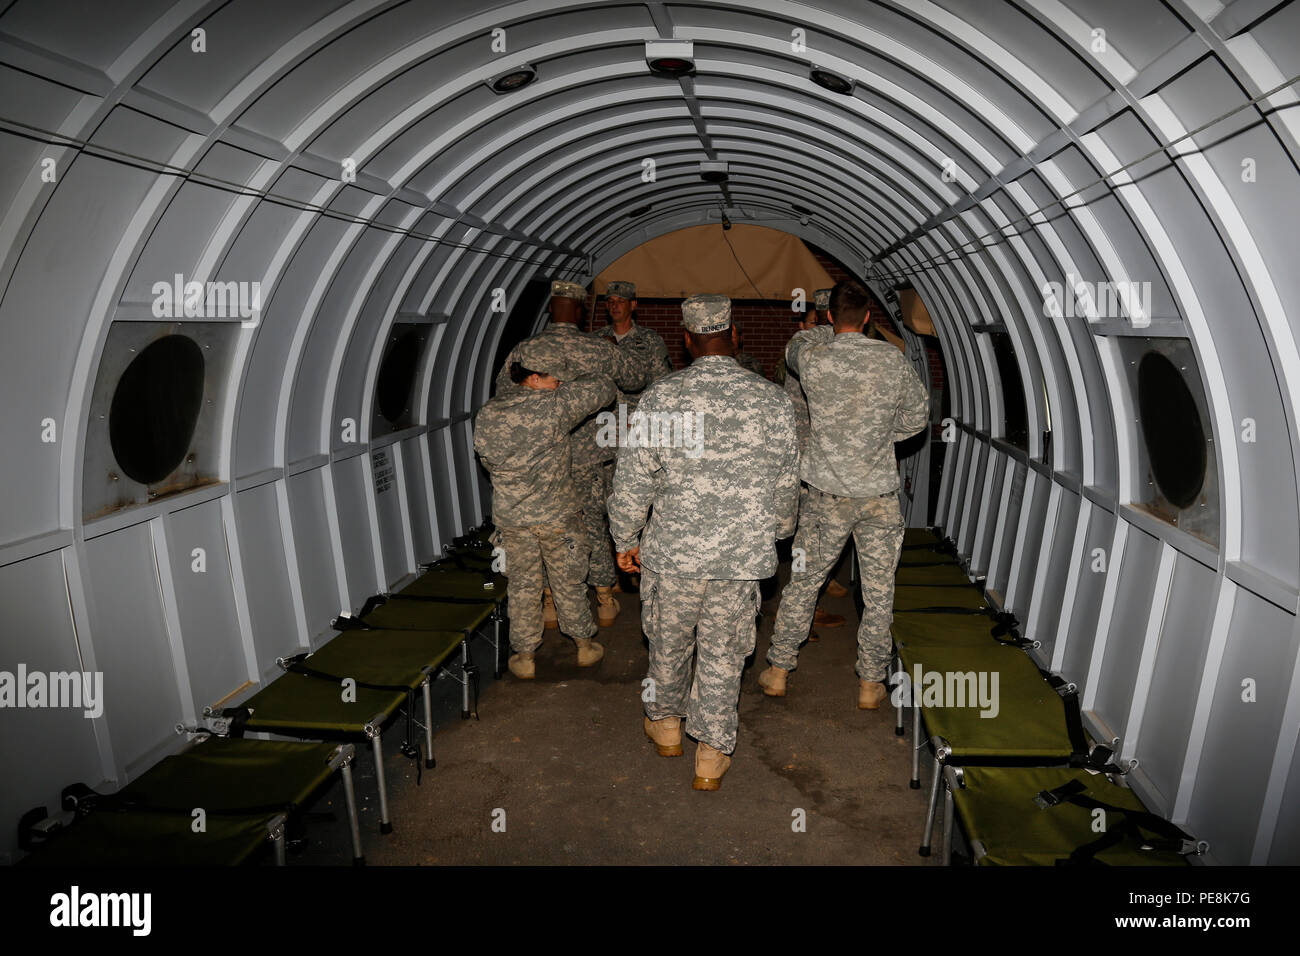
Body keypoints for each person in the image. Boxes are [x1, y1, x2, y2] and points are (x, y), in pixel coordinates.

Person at [609, 294, 799, 790]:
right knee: (724, 653)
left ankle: (667, 726)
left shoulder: (661, 397)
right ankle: (711, 755)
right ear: (734, 336)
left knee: (668, 643)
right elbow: (786, 483)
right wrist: (777, 532)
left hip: (672, 554)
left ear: (688, 341)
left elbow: (633, 480)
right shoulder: (773, 399)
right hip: (740, 557)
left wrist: (624, 538)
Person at [758, 279, 929, 709]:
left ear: (830, 316)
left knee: (803, 583)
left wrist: (822, 326)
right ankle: (871, 683)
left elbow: (796, 343)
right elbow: (918, 418)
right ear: (870, 317)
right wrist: (877, 438)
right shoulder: (892, 359)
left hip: (826, 495)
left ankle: (779, 670)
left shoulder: (814, 358)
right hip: (879, 496)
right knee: (879, 592)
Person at [496, 279, 652, 628]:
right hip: (590, 457)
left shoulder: (525, 350)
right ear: (581, 312)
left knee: (549, 528)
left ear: (551, 308)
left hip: (540, 459)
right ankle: (604, 598)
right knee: (593, 524)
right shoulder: (597, 348)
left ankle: (551, 602)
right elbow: (636, 378)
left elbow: (503, 395)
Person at [474, 338, 616, 678]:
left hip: (512, 521)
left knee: (523, 586)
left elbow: (486, 459)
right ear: (533, 377)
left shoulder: (489, 413)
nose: (560, 382)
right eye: (554, 376)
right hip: (557, 517)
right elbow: (605, 387)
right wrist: (584, 354)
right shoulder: (556, 406)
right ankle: (583, 645)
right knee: (569, 580)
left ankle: (524, 656)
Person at [590, 280, 674, 594]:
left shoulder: (650, 341)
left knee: (642, 498)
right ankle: (610, 568)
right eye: (610, 301)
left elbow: (662, 387)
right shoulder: (596, 340)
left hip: (638, 433)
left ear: (633, 305)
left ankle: (641, 560)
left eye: (621, 301)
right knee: (606, 500)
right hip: (603, 433)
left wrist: (642, 423)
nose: (614, 306)